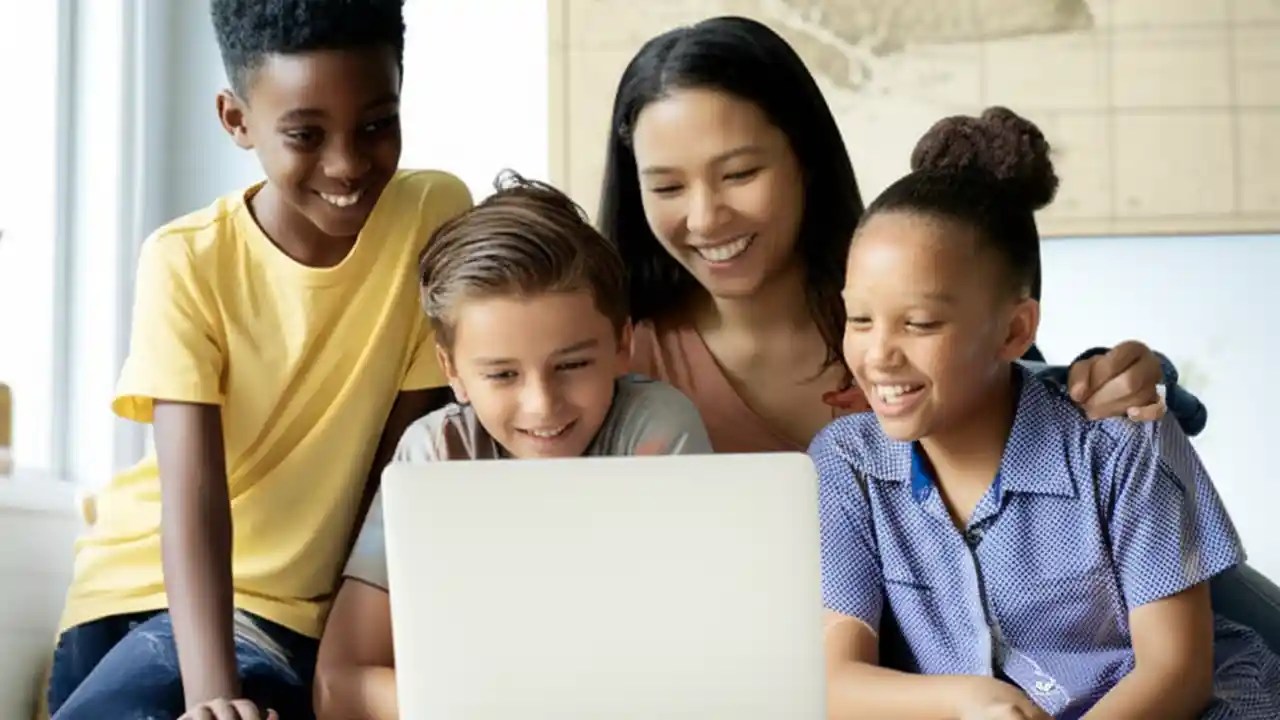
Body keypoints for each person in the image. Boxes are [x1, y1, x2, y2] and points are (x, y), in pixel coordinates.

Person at [46, 2, 471, 718]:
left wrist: (354, 628)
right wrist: (214, 698)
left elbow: (396, 468)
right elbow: (193, 497)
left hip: (291, 618)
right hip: (149, 595)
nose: (347, 163)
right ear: (236, 120)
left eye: (377, 124)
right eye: (306, 134)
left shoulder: (431, 213)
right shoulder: (187, 260)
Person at [814, 106, 1280, 719]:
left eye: (920, 323)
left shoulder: (1121, 442)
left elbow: (1178, 675)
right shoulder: (849, 462)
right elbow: (835, 680)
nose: (877, 356)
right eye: (859, 319)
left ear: (1014, 330)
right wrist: (970, 701)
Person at [597, 15, 1202, 456]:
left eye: (739, 174)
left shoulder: (912, 296)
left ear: (804, 158)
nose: (705, 219)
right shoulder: (613, 356)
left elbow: (1043, 393)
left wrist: (1119, 381)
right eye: (668, 188)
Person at [311, 172, 713, 720]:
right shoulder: (436, 454)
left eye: (572, 365)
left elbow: (689, 661)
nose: (542, 406)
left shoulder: (657, 428)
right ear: (451, 371)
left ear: (623, 344)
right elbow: (340, 684)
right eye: (502, 375)